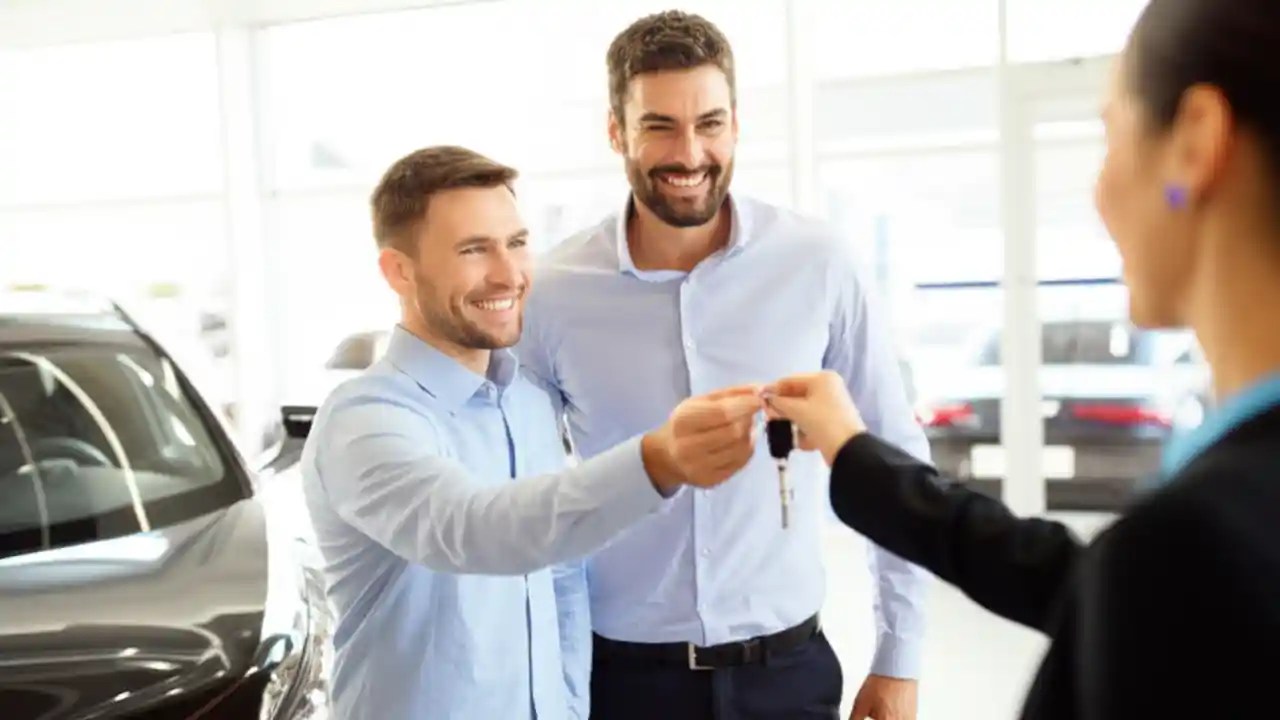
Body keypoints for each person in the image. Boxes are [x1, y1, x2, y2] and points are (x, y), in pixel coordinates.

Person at [761, 1, 1280, 717]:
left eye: (1112, 137)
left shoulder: (1196, 541)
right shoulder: (1208, 542)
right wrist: (856, 456)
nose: (1100, 193)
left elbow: (1149, 590)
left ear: (1194, 145)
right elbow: (1099, 585)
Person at [516, 11, 931, 720]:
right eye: (659, 126)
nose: (690, 152)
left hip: (788, 674)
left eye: (710, 123)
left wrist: (900, 658)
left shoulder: (818, 262)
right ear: (616, 131)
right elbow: (519, 498)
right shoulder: (551, 293)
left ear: (736, 124)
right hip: (618, 684)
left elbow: (893, 453)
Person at [300, 145, 765, 720]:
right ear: (399, 270)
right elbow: (474, 529)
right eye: (473, 250)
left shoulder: (528, 402)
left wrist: (569, 707)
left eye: (517, 243)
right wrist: (657, 460)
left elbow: (562, 573)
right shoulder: (364, 420)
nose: (508, 274)